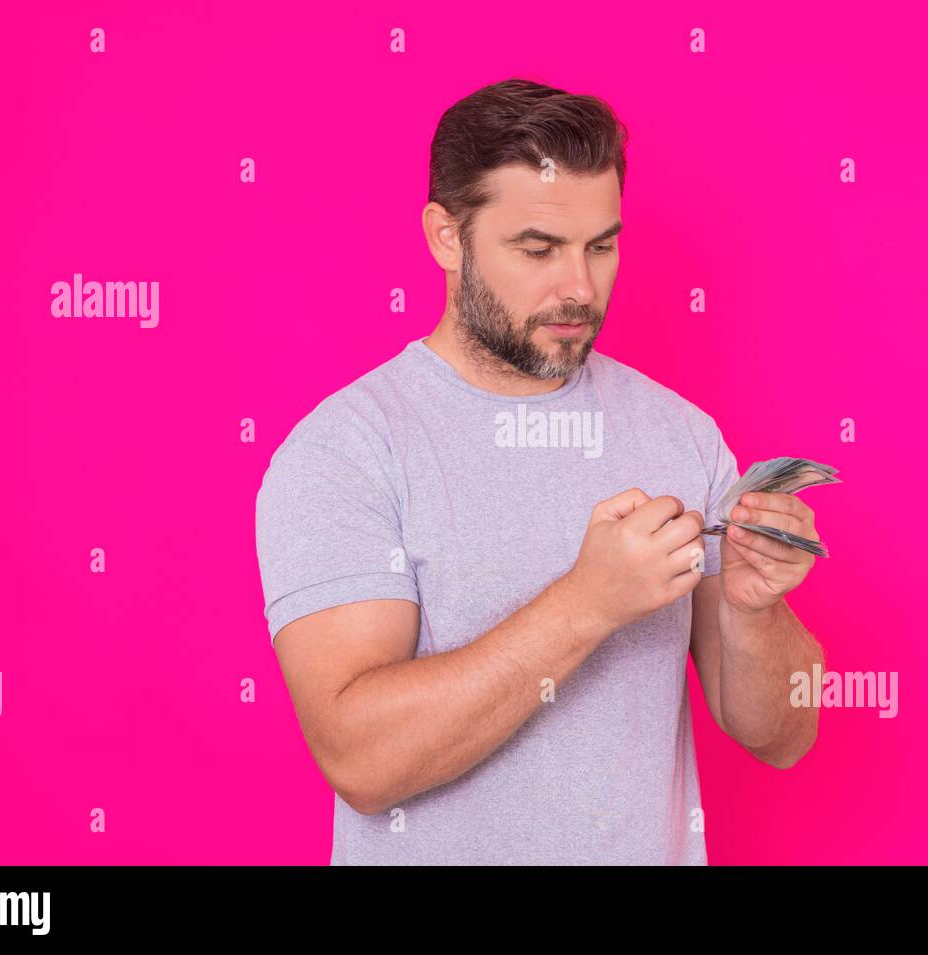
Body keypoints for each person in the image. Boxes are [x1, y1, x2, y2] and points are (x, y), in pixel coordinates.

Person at [254, 77, 825, 865]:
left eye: (602, 246)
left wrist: (756, 610)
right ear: (446, 237)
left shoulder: (682, 435)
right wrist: (586, 605)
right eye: (538, 250)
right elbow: (362, 760)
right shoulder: (346, 451)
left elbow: (784, 734)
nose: (580, 289)